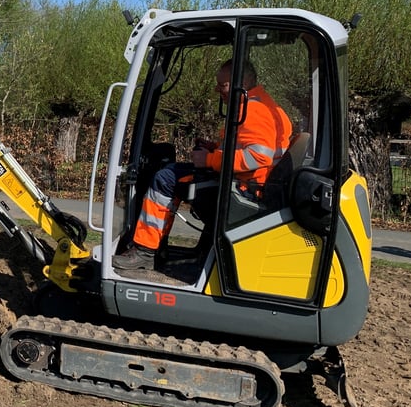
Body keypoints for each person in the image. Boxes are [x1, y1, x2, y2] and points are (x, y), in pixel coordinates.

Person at [113, 58, 293, 271]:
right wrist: (214, 147)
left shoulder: (254, 110)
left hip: (244, 189)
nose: (218, 89)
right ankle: (157, 248)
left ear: (242, 83)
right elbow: (245, 146)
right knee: (173, 174)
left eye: (223, 85)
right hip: (247, 182)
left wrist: (209, 159)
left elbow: (258, 157)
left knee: (165, 178)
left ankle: (146, 251)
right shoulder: (261, 104)